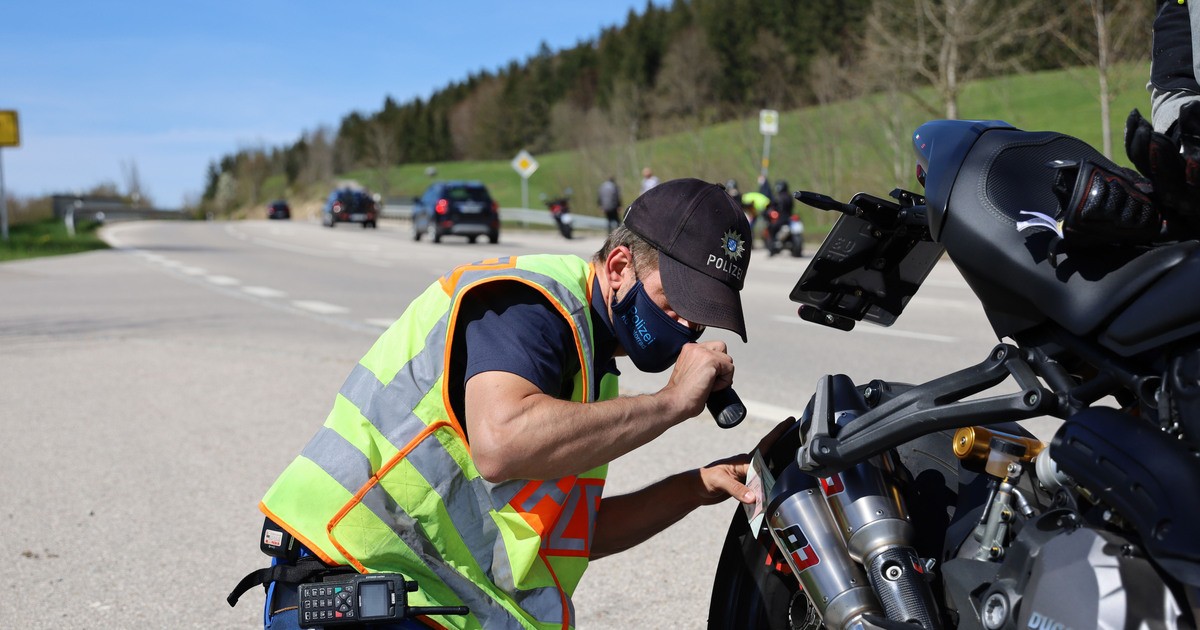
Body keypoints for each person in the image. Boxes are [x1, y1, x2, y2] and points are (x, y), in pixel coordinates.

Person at [231, 178, 763, 630]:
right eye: (678, 303)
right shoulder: (532, 305)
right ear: (620, 266)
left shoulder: (593, 371)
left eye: (703, 316)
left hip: (420, 602)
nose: (690, 326)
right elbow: (501, 443)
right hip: (353, 580)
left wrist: (696, 487)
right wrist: (671, 402)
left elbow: (571, 535)